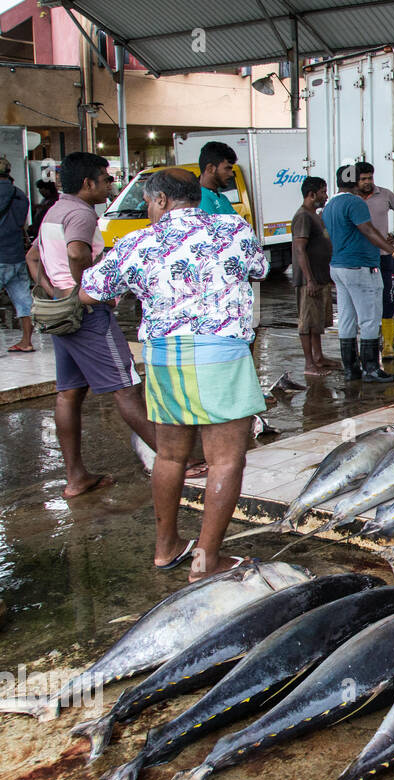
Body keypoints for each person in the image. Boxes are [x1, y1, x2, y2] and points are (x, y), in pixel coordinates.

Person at [79, 168, 268, 581]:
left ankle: (166, 548)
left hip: (166, 356)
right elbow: (258, 269)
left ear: (162, 200)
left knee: (169, 455)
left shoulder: (137, 241)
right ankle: (206, 559)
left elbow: (89, 292)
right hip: (221, 354)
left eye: (148, 202)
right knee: (224, 461)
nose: (148, 209)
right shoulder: (231, 227)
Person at [25, 152, 163, 498]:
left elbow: (33, 257)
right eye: (105, 180)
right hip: (85, 313)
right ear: (88, 183)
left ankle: (76, 477)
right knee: (126, 385)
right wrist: (87, 291)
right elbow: (76, 253)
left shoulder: (53, 211)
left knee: (69, 393)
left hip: (61, 311)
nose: (110, 185)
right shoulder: (82, 214)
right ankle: (176, 459)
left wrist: (54, 292)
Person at [322, 163, 394, 384]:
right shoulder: (355, 202)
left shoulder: (331, 204)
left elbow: (327, 235)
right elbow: (368, 230)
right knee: (370, 318)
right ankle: (371, 369)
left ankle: (351, 369)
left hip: (339, 267)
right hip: (360, 266)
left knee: (347, 318)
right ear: (354, 182)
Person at [356, 162, 394, 359]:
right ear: (356, 180)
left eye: (370, 178)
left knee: (387, 297)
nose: (368, 182)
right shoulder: (352, 200)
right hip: (361, 259)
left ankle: (388, 344)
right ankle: (367, 343)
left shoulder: (385, 195)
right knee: (364, 301)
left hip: (384, 257)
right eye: (363, 179)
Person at [291, 175, 339, 376]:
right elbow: (300, 249)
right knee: (307, 322)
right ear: (312, 194)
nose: (326, 196)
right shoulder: (303, 216)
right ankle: (309, 364)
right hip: (308, 280)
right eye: (323, 191)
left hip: (320, 277)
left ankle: (319, 357)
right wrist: (309, 279)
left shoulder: (314, 215)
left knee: (317, 321)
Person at [0, 158, 33, 352]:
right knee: (23, 301)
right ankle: (27, 342)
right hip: (16, 255)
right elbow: (21, 223)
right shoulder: (19, 195)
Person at [197, 141, 238, 215]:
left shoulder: (222, 198)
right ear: (210, 168)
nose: (231, 174)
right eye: (227, 168)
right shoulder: (200, 198)